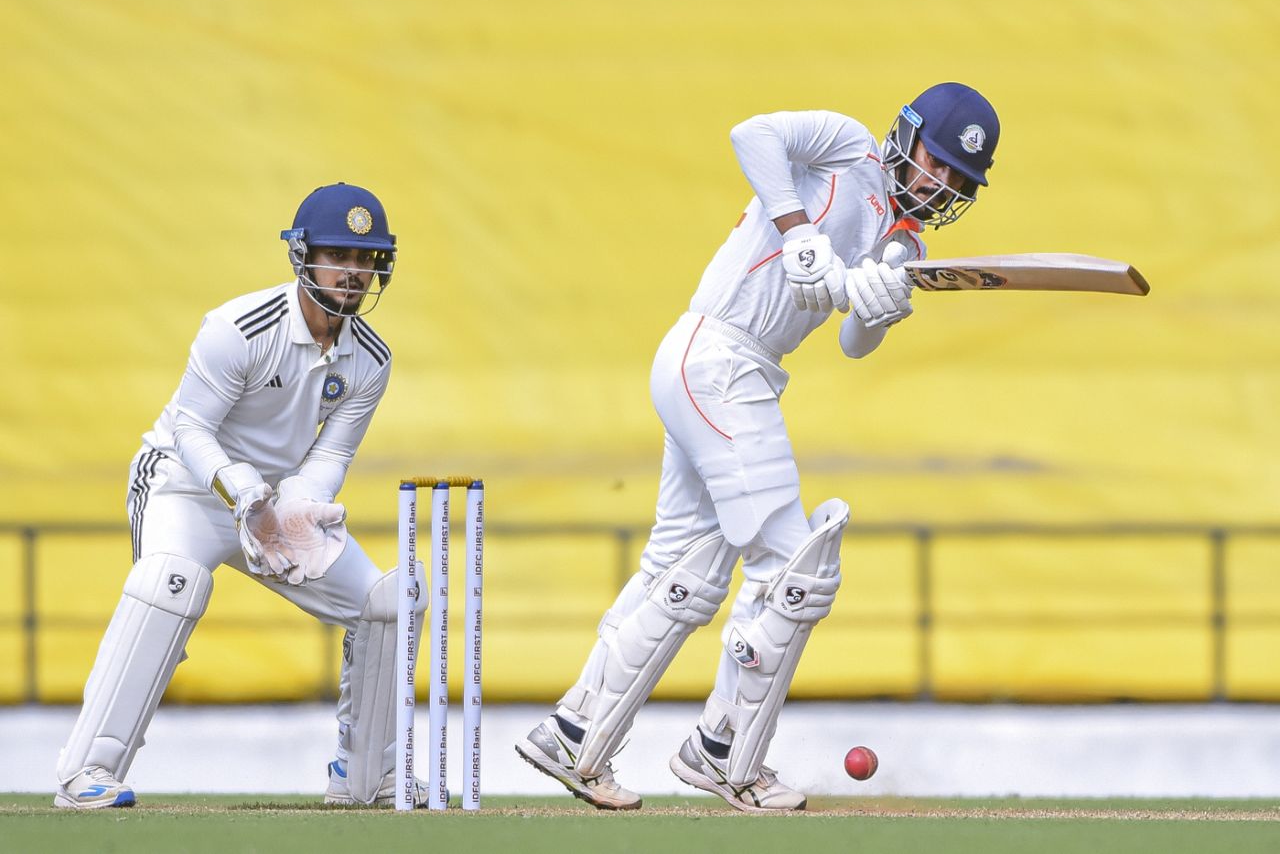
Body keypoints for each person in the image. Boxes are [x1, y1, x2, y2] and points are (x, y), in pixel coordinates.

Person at [516, 83, 1000, 812]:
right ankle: (725, 753)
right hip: (717, 354)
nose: (941, 185)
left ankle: (573, 733)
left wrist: (880, 302)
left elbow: (852, 341)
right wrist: (798, 229)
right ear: (908, 135)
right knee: (793, 571)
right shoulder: (846, 146)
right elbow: (751, 133)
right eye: (937, 163)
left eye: (958, 182)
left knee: (688, 567)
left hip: (734, 371)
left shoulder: (904, 241)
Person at [54, 182, 427, 809]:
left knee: (385, 604)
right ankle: (86, 773)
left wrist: (298, 507)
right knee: (170, 585)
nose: (355, 273)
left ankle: (366, 776)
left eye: (367, 261)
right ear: (303, 256)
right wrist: (242, 492)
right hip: (186, 487)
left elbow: (330, 454)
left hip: (275, 504)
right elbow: (190, 428)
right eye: (341, 256)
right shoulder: (239, 327)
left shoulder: (371, 359)